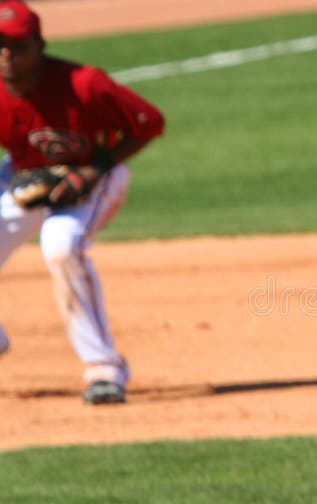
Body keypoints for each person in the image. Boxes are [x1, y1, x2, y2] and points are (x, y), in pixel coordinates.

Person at [0, 1, 165, 404]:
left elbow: (149, 123)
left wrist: (93, 170)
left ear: (40, 45)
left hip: (98, 175)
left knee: (61, 245)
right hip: (24, 174)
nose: (6, 55)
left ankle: (104, 368)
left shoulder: (84, 84)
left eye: (17, 46)